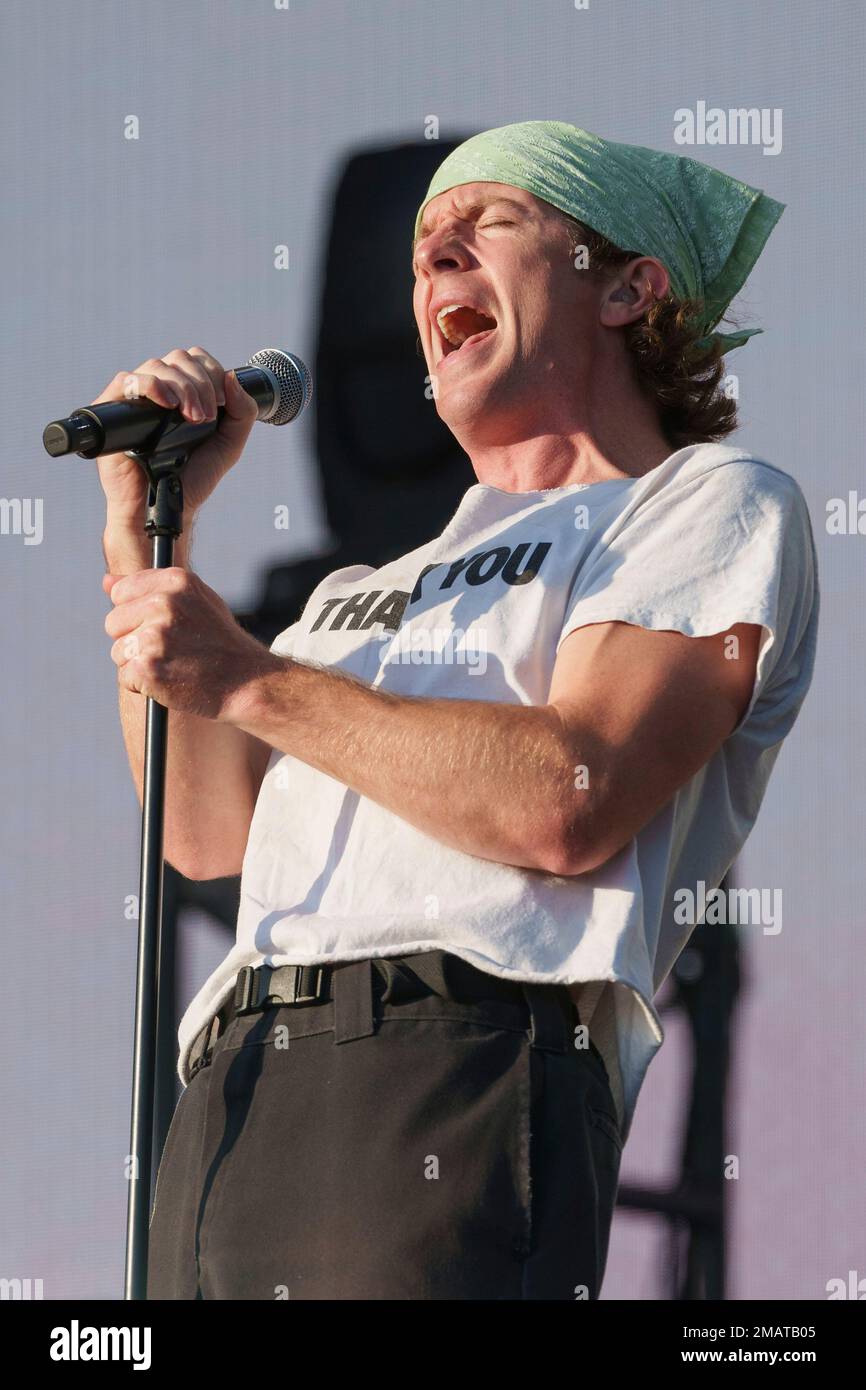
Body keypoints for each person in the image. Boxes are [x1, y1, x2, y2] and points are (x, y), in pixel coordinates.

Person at [96, 120, 818, 1300]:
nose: (434, 262)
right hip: (235, 1101)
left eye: (482, 226)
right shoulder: (355, 596)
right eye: (423, 248)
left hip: (450, 1071)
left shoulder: (702, 505)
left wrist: (251, 677)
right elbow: (203, 833)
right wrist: (140, 529)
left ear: (628, 287)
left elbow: (566, 798)